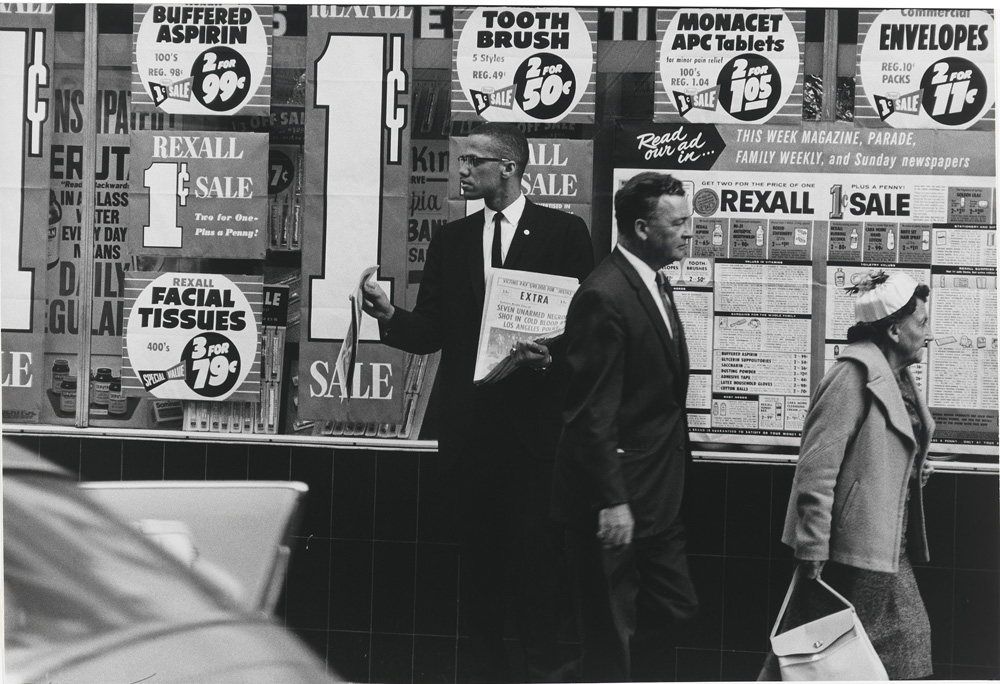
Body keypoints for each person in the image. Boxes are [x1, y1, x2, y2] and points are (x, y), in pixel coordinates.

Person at [361, 121, 593, 683]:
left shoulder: (565, 233)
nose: (461, 171)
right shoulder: (452, 241)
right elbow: (433, 330)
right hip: (471, 436)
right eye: (461, 162)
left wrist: (552, 360)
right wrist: (389, 317)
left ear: (508, 168)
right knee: (480, 575)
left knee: (538, 571)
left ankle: (541, 673)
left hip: (536, 435)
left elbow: (589, 332)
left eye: (472, 162)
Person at [551, 172, 699, 682]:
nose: (688, 231)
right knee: (611, 636)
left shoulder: (653, 283)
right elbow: (591, 411)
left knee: (676, 609)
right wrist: (612, 501)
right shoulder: (605, 294)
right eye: (677, 222)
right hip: (612, 502)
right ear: (640, 227)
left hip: (657, 496)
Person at [760, 270, 936, 680]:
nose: (929, 334)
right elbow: (816, 469)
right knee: (821, 655)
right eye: (922, 324)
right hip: (848, 551)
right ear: (894, 330)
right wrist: (812, 549)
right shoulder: (851, 376)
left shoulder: (897, 376)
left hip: (883, 544)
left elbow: (879, 452)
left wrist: (910, 471)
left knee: (832, 655)